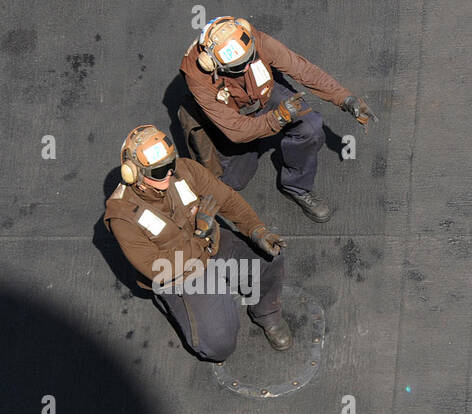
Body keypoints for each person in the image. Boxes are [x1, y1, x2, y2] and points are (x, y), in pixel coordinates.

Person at [104, 124, 289, 361]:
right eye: (160, 172)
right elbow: (156, 268)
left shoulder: (185, 171)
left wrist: (257, 230)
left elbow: (227, 199)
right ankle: (179, 301)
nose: (169, 174)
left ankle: (268, 314)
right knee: (219, 346)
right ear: (134, 175)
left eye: (170, 165)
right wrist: (200, 237)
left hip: (209, 242)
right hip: (178, 271)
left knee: (269, 258)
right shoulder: (123, 216)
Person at [179, 15, 376, 222]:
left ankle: (295, 187)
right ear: (213, 64)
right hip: (232, 115)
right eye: (238, 67)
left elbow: (301, 69)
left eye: (249, 58)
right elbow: (237, 131)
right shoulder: (197, 75)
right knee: (233, 182)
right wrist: (278, 118)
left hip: (264, 94)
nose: (246, 67)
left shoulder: (248, 36)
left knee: (310, 127)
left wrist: (345, 98)